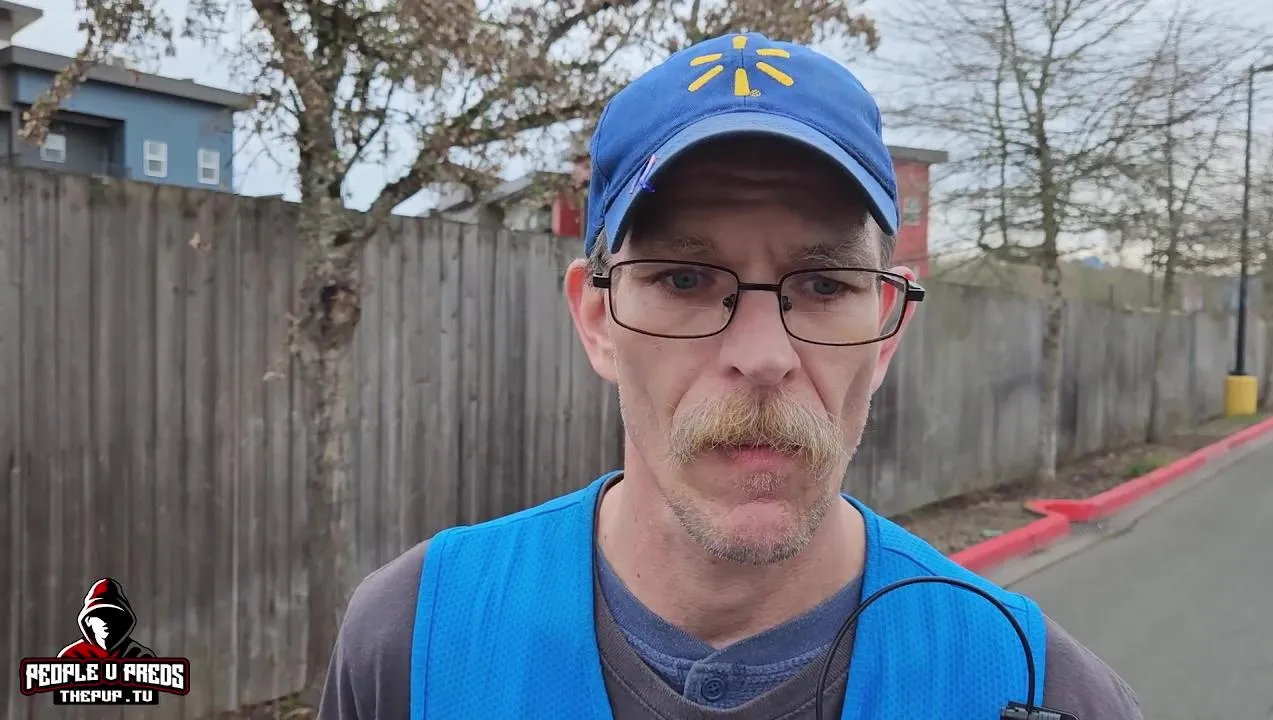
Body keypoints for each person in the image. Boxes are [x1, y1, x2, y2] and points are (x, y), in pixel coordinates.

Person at [319, 32, 1143, 720]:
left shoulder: (1031, 689)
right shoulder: (414, 643)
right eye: (684, 278)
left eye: (825, 286)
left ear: (887, 334)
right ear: (598, 320)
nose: (764, 355)